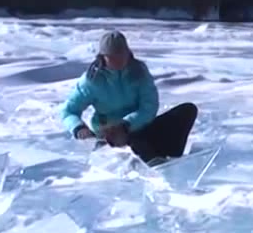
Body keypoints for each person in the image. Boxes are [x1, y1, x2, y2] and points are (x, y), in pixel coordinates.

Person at [61, 30, 197, 165]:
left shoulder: (139, 72)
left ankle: (171, 160)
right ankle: (154, 162)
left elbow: (149, 106)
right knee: (135, 142)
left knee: (187, 110)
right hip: (110, 138)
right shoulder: (92, 80)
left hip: (138, 127)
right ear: (102, 57)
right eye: (112, 57)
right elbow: (68, 111)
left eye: (121, 55)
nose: (118, 61)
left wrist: (126, 124)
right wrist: (79, 129)